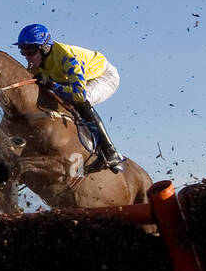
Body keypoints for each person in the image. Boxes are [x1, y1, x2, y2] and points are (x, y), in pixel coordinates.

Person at [15, 24, 126, 173]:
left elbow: (78, 94)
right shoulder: (36, 64)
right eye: (23, 52)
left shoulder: (67, 57)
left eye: (30, 52)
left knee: (80, 101)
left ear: (44, 48)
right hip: (72, 81)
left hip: (104, 76)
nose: (27, 57)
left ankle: (110, 152)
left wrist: (53, 85)